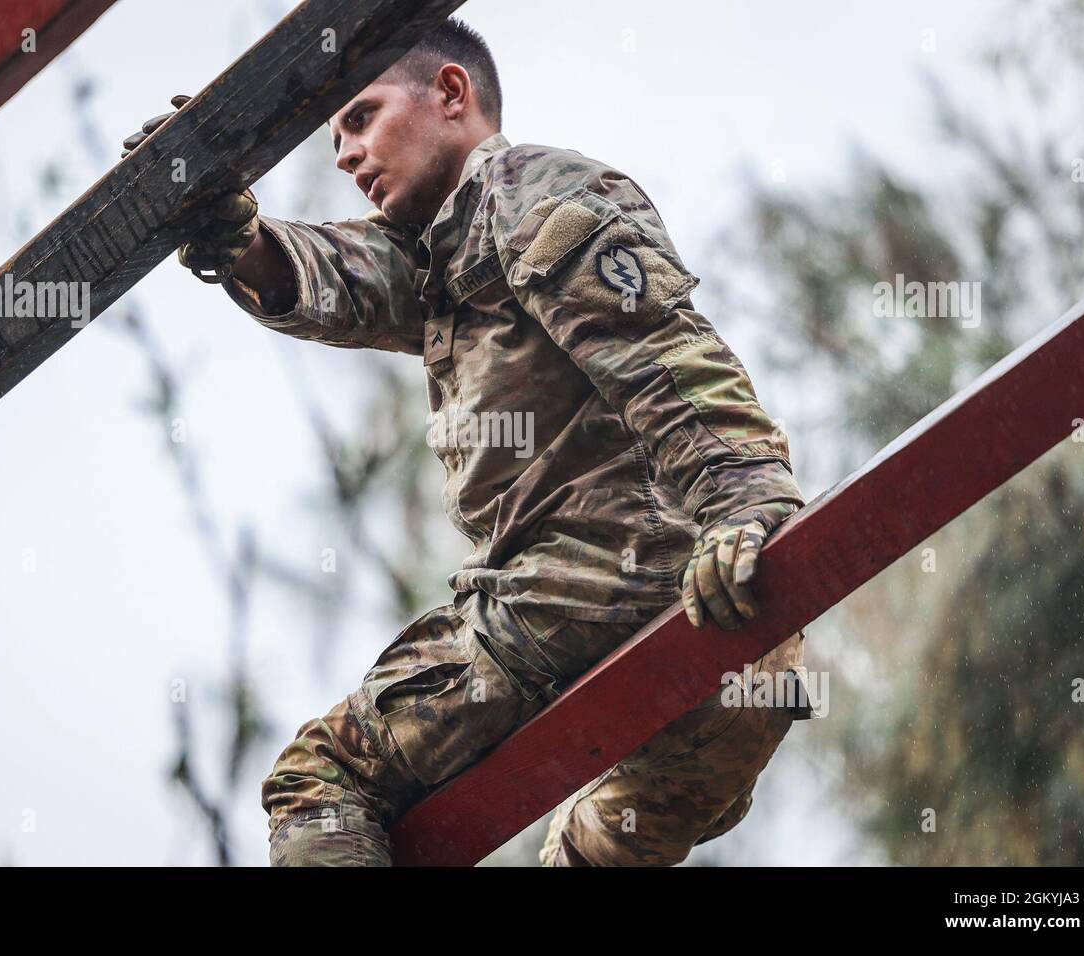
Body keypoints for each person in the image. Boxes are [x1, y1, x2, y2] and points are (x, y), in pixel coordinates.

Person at [123, 17, 812, 867]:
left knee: (320, 780)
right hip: (724, 679)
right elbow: (346, 280)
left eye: (362, 118)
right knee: (589, 849)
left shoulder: (532, 194)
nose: (343, 155)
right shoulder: (448, 254)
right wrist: (239, 241)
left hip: (597, 589)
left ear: (451, 94)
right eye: (336, 137)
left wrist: (748, 508)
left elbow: (662, 357)